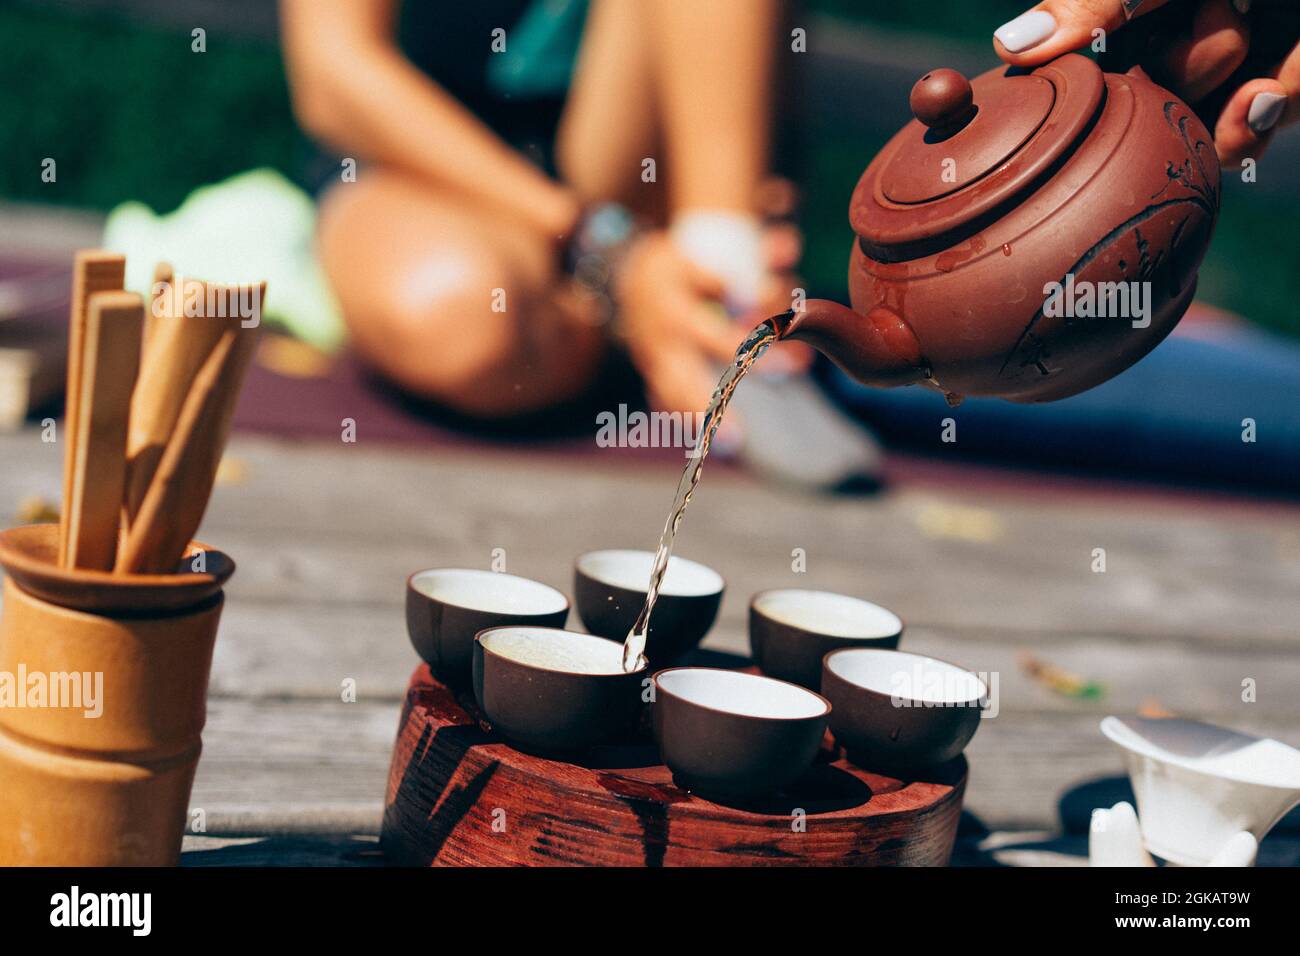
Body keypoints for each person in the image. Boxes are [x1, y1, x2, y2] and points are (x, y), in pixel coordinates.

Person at [280, 0, 883, 489]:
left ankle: (724, 289)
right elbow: (336, 73)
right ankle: (660, 311)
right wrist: (602, 246)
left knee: (488, 327)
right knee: (457, 317)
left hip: (631, 164)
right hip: (427, 165)